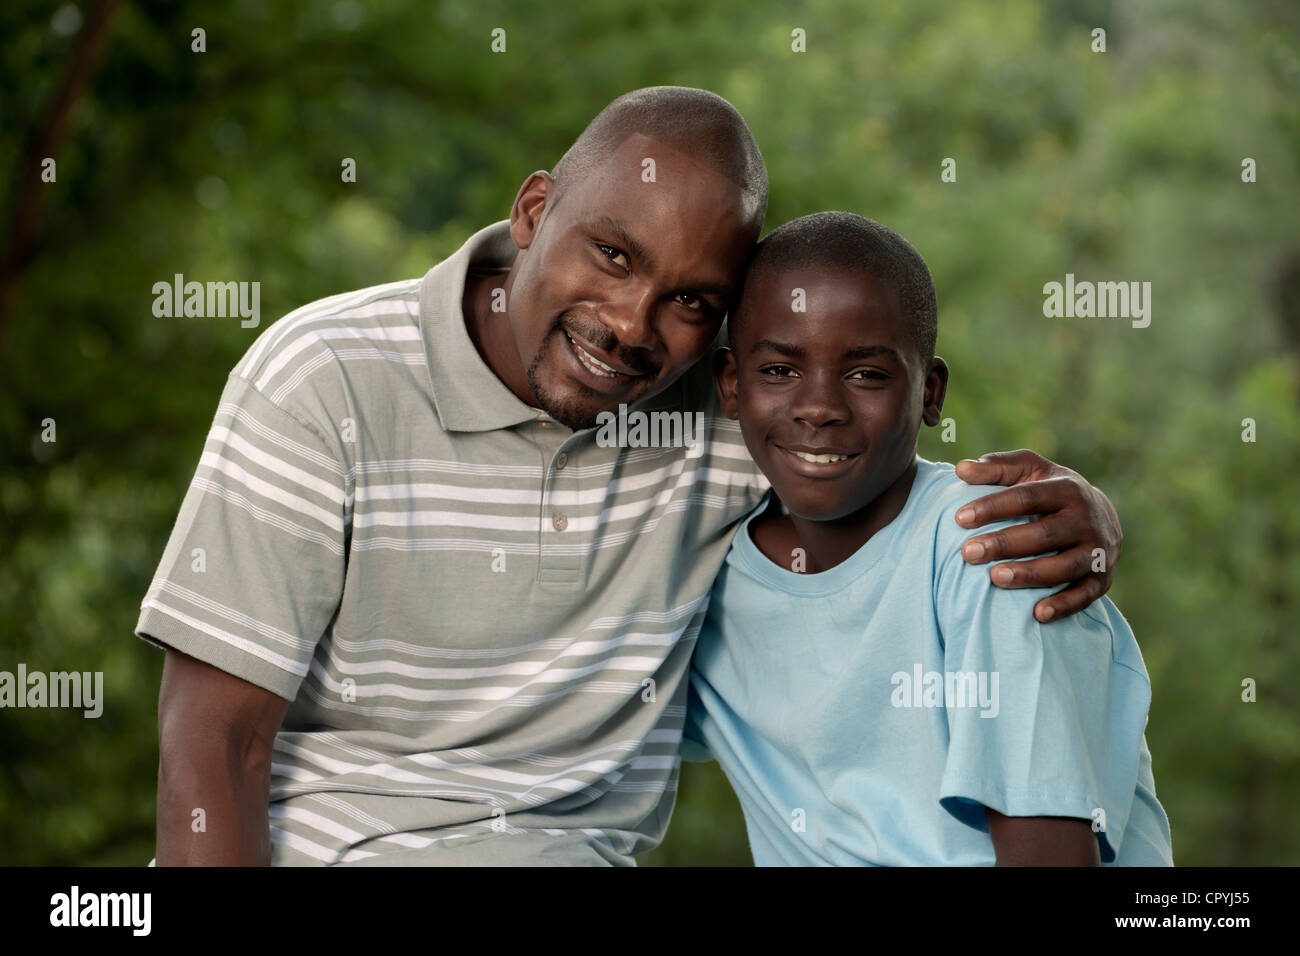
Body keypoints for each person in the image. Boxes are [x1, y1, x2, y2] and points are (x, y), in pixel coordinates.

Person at [141, 87, 1126, 866]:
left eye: (689, 300)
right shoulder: (325, 376)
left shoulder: (725, 420)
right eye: (611, 254)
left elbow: (869, 447)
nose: (628, 323)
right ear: (534, 209)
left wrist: (1087, 508)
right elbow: (214, 744)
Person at [685, 211, 1173, 866]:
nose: (820, 406)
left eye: (867, 375)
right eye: (778, 370)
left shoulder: (989, 551)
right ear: (731, 384)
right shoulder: (704, 579)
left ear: (930, 393)